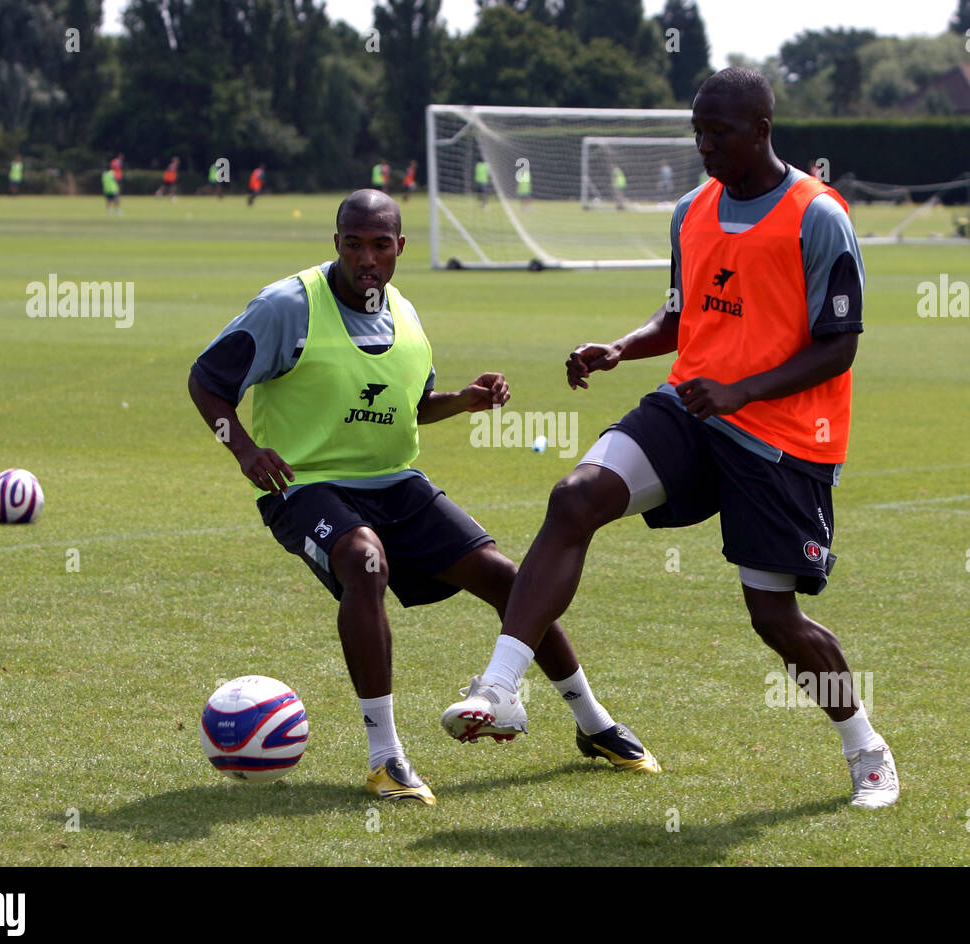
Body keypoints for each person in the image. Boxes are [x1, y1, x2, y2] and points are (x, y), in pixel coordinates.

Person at [441, 67, 900, 809]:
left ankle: (867, 749)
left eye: (718, 132)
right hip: (690, 410)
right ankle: (500, 687)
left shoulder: (819, 216)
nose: (704, 145)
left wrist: (742, 391)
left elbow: (839, 344)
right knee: (576, 497)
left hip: (781, 439)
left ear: (760, 130)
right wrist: (620, 348)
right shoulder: (692, 209)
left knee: (773, 619)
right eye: (697, 131)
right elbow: (683, 317)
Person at [187, 190, 659, 806]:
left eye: (380, 245)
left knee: (507, 577)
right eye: (353, 243)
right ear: (335, 244)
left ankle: (593, 724)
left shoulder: (404, 314)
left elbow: (409, 409)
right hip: (304, 487)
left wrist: (464, 400)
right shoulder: (288, 306)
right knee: (364, 561)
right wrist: (244, 449)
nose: (367, 258)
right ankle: (386, 759)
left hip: (394, 482)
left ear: (399, 248)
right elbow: (207, 381)